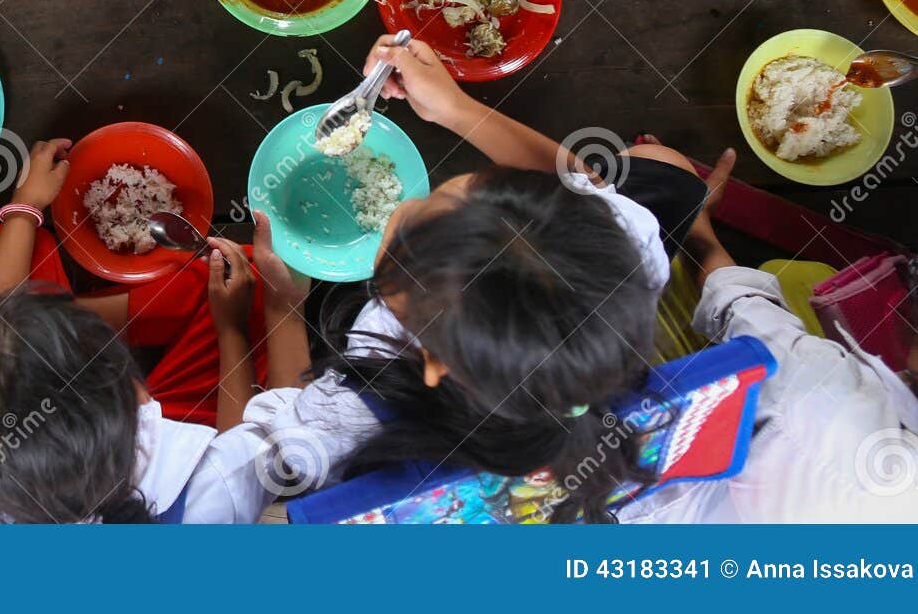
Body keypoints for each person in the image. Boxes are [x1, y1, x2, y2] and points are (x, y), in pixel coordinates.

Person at [243, 36, 712, 522]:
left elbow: (283, 466)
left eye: (409, 229)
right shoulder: (630, 250)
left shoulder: (345, 416)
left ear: (432, 360)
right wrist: (456, 109)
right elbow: (582, 189)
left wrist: (283, 307)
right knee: (669, 169)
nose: (406, 206)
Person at [0, 137, 312, 522]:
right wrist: (273, 311)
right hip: (199, 442)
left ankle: (31, 276)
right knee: (254, 281)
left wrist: (25, 208)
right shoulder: (212, 497)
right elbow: (279, 443)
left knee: (10, 245)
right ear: (139, 399)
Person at [619, 147, 918, 521]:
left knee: (661, 164)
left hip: (637, 510)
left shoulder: (821, 394)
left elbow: (734, 303)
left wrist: (698, 228)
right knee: (803, 277)